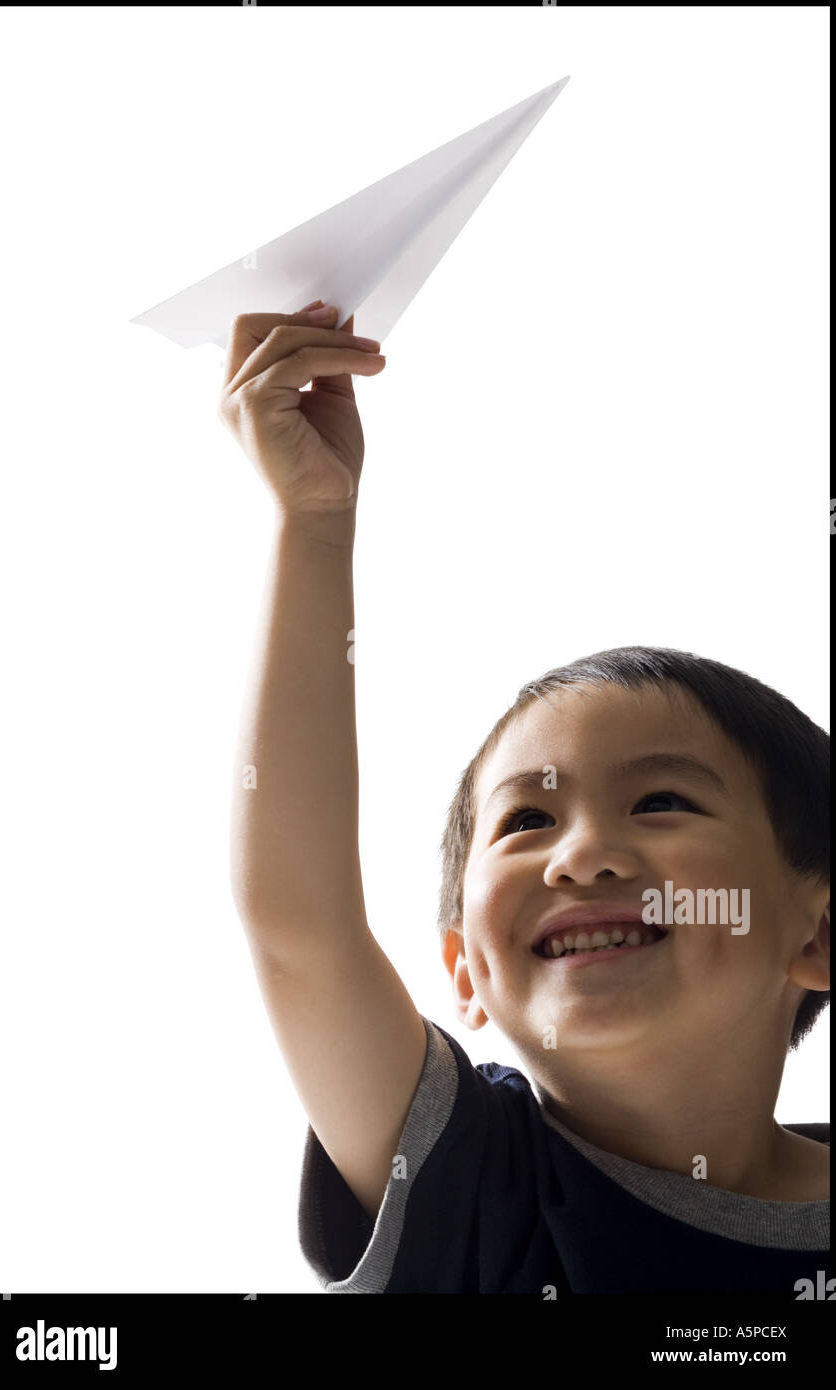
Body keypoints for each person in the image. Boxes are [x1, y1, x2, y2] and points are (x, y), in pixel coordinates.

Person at [220, 302, 830, 1294]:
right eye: (527, 819)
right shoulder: (472, 1183)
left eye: (663, 801)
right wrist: (315, 522)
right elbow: (301, 923)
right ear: (464, 966)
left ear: (818, 933)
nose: (581, 854)